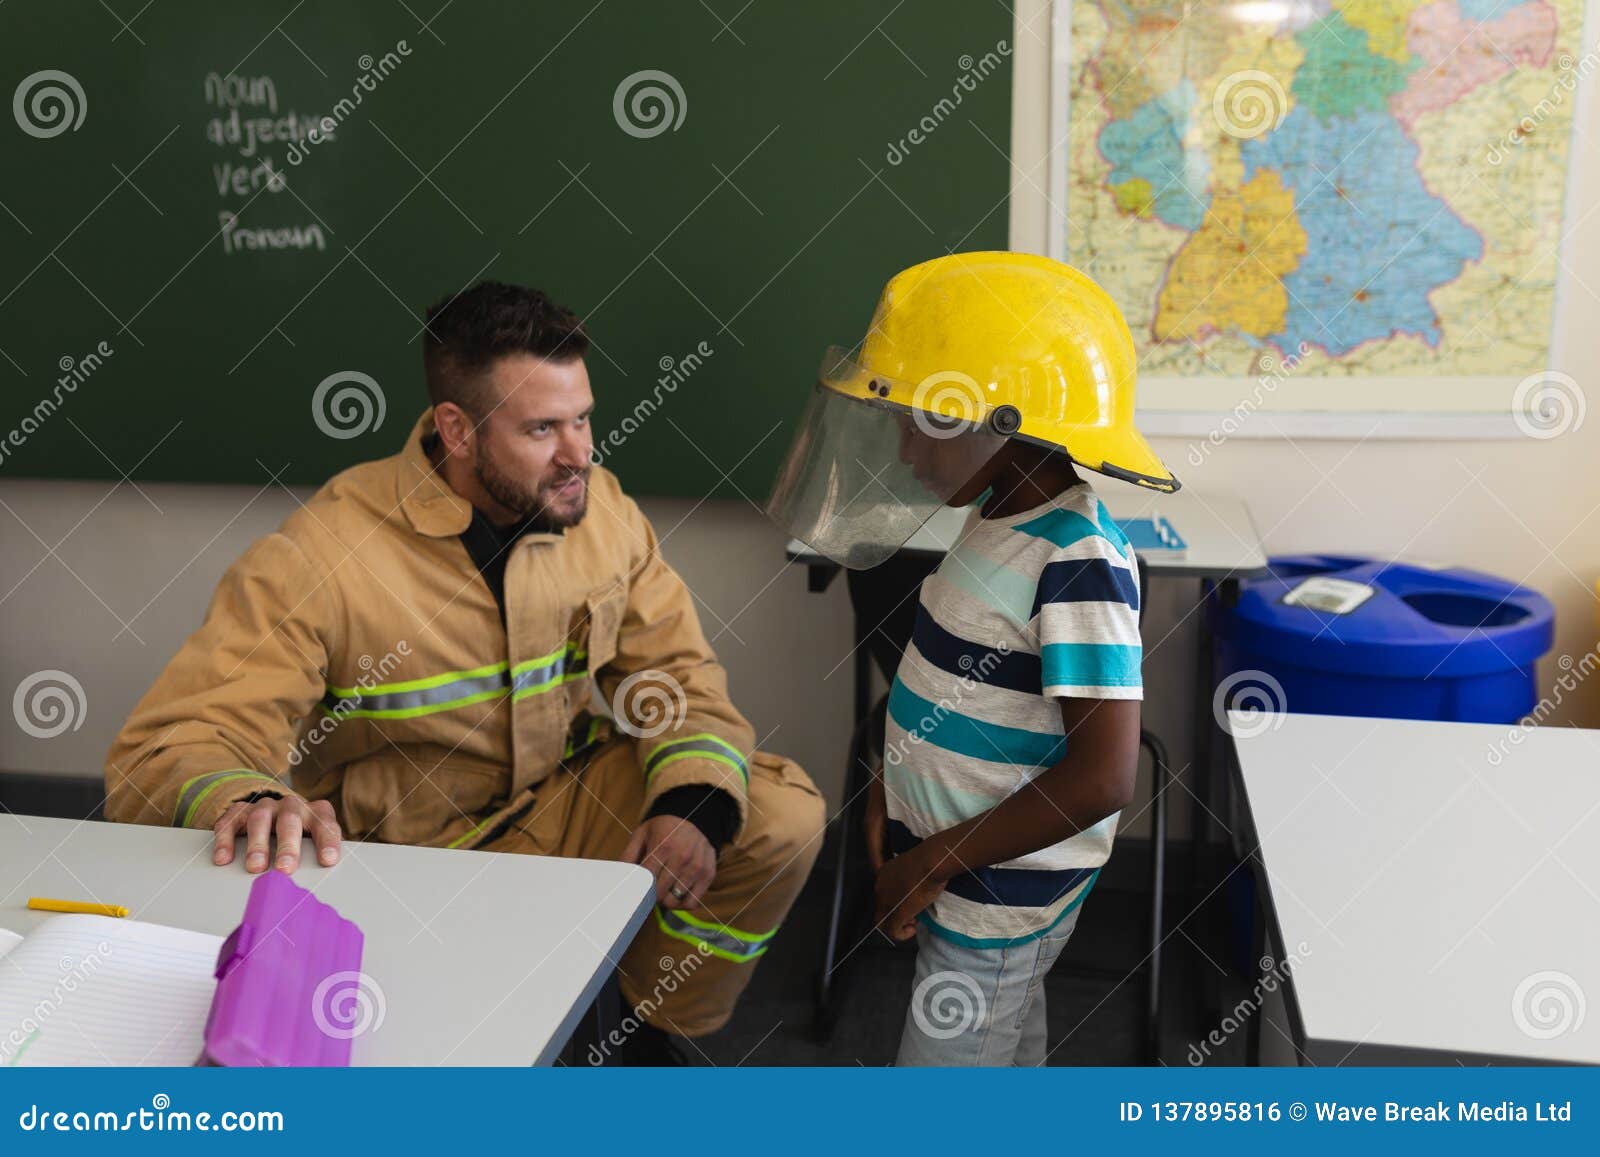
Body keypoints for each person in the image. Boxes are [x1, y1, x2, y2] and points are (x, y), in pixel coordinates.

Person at [105, 280, 825, 1062]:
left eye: (582, 417)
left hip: (562, 805)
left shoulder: (601, 509)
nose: (580, 452)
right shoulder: (320, 555)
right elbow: (175, 739)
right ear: (457, 428)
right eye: (543, 428)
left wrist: (690, 803)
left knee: (775, 814)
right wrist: (246, 796)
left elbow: (677, 675)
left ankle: (647, 1026)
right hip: (410, 855)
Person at [766, 251, 1177, 1066]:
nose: (907, 450)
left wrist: (927, 863)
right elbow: (946, 678)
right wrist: (891, 785)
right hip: (959, 874)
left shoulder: (1077, 556)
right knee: (1005, 1052)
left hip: (991, 895)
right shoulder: (998, 518)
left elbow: (1103, 778)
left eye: (920, 419)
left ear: (1000, 420)